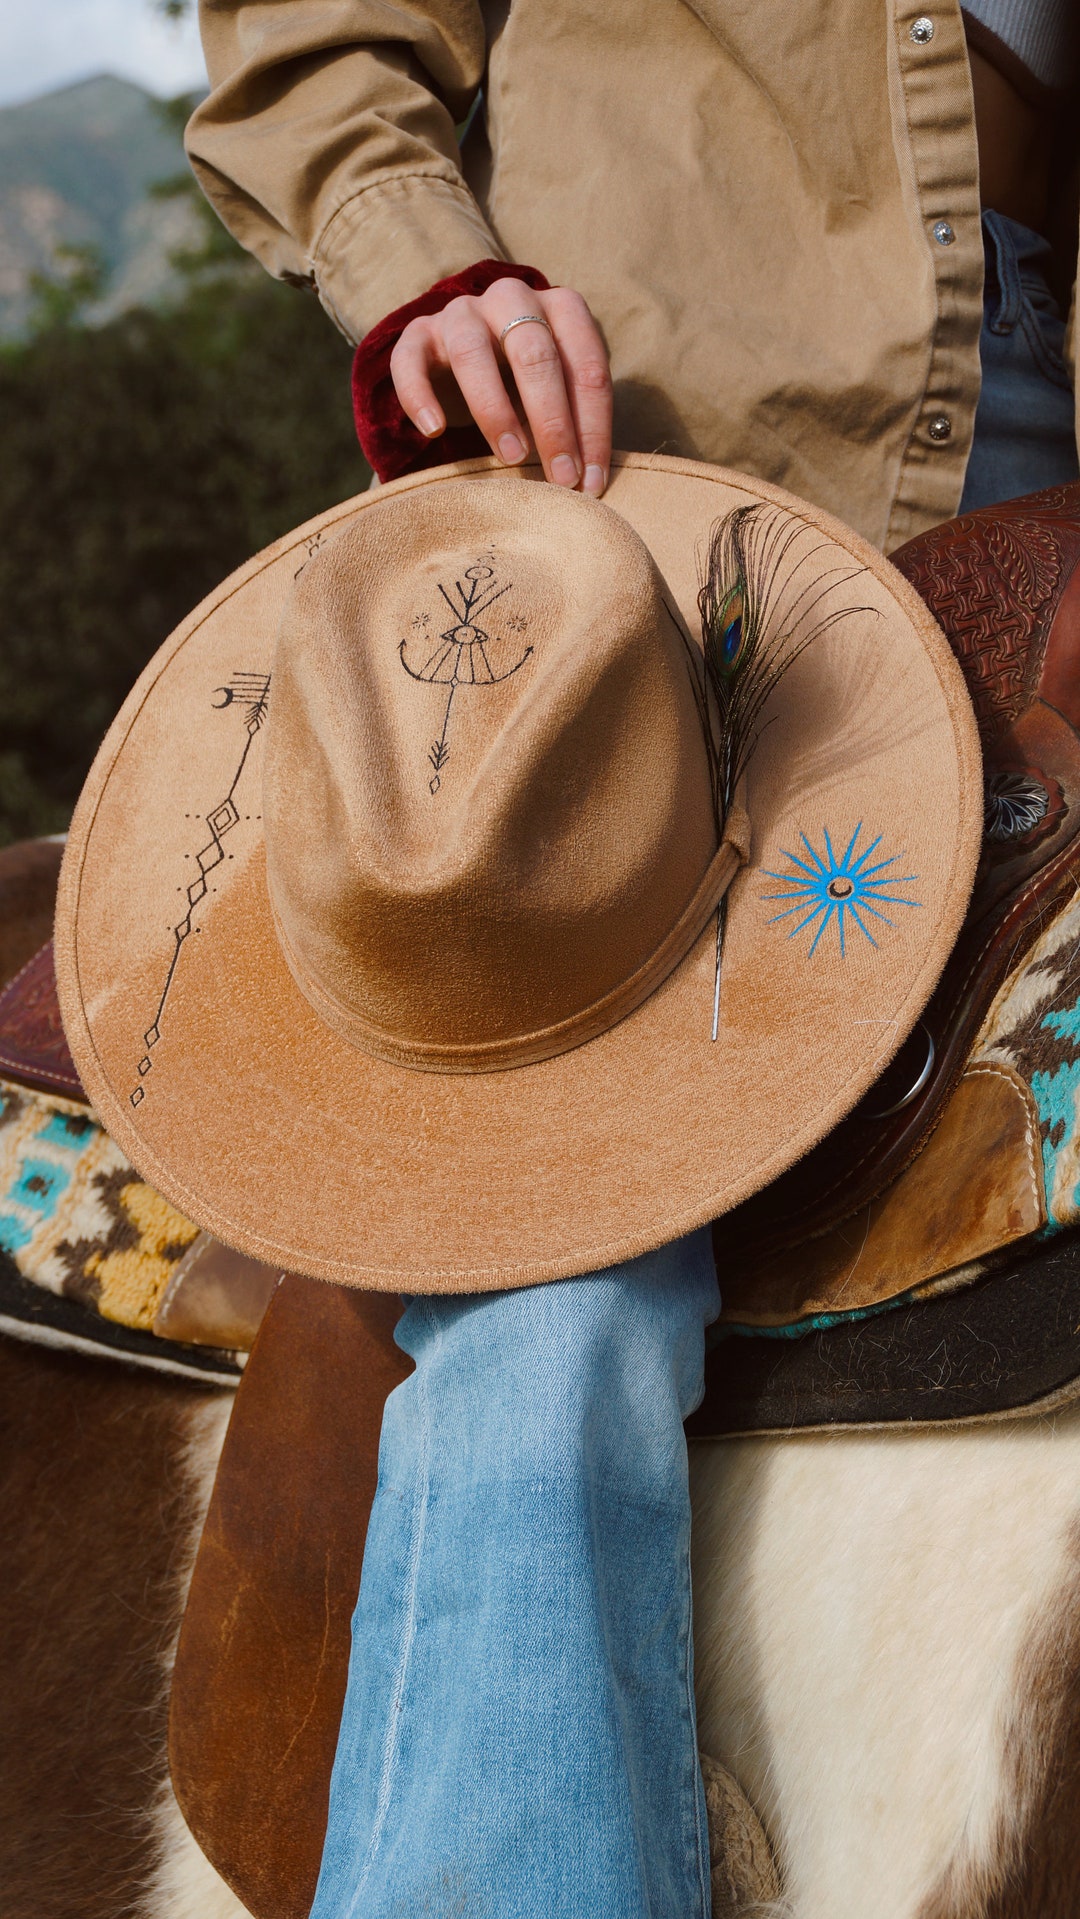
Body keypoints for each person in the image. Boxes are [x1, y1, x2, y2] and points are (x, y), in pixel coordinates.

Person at [180, 5, 1080, 1913]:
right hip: (670, 517)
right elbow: (319, 37)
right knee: (571, 1265)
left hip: (1060, 565)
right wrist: (432, 270)